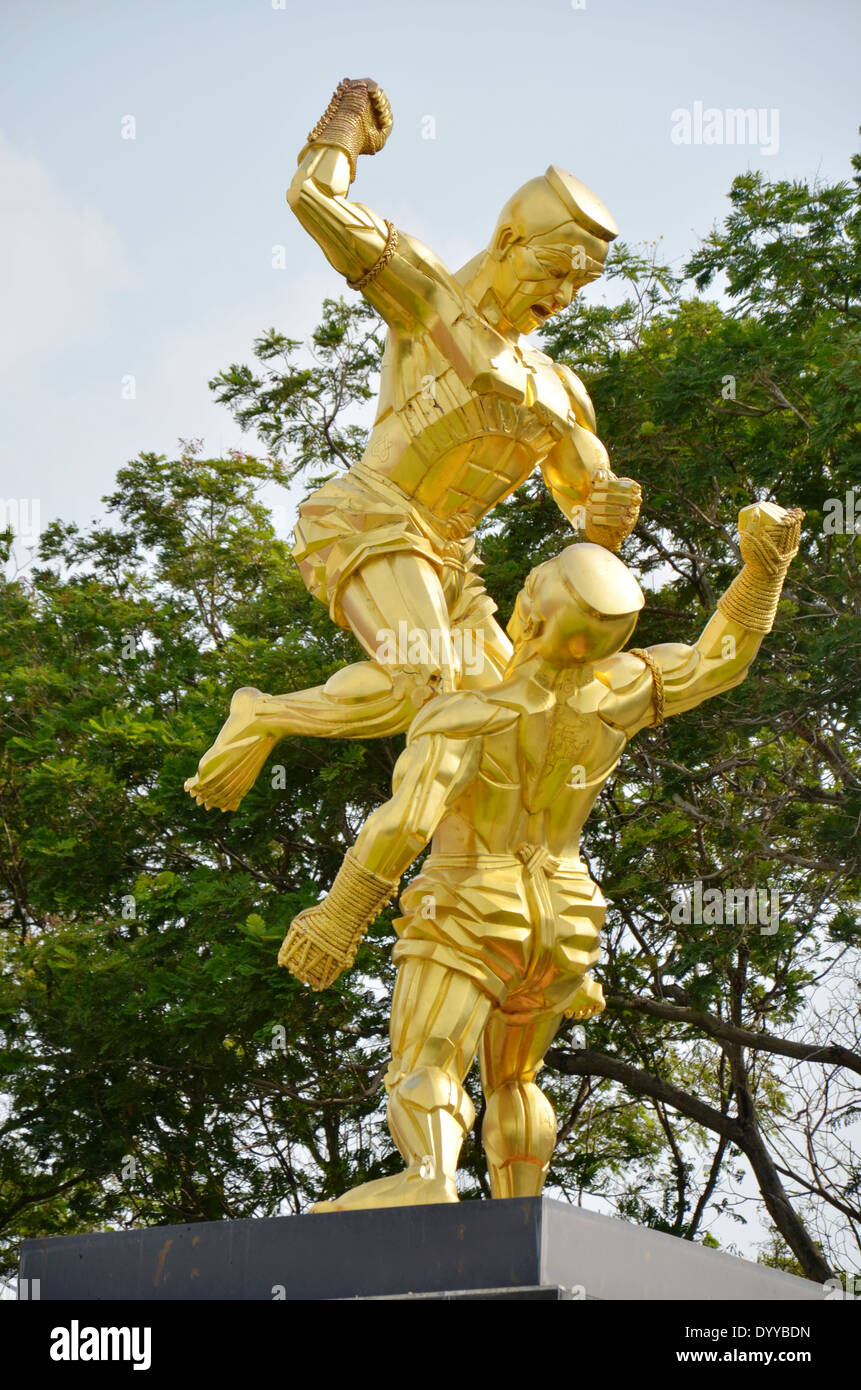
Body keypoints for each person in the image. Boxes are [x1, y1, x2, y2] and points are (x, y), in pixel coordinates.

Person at [277, 502, 803, 1209]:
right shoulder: (620, 692)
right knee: (515, 1082)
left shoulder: (467, 715)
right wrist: (765, 566)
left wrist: (337, 918)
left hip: (471, 906)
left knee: (429, 1062)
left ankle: (426, 1180)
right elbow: (722, 657)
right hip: (563, 919)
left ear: (526, 612)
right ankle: (519, 1212)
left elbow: (404, 824)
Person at [185, 77, 641, 812]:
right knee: (419, 684)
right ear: (508, 242)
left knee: (516, 720)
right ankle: (262, 713)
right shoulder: (432, 301)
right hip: (373, 518)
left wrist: (609, 515)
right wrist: (344, 129)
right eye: (553, 270)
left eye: (577, 287)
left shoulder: (561, 392)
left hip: (451, 566)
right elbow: (314, 201)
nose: (560, 295)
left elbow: (589, 521)